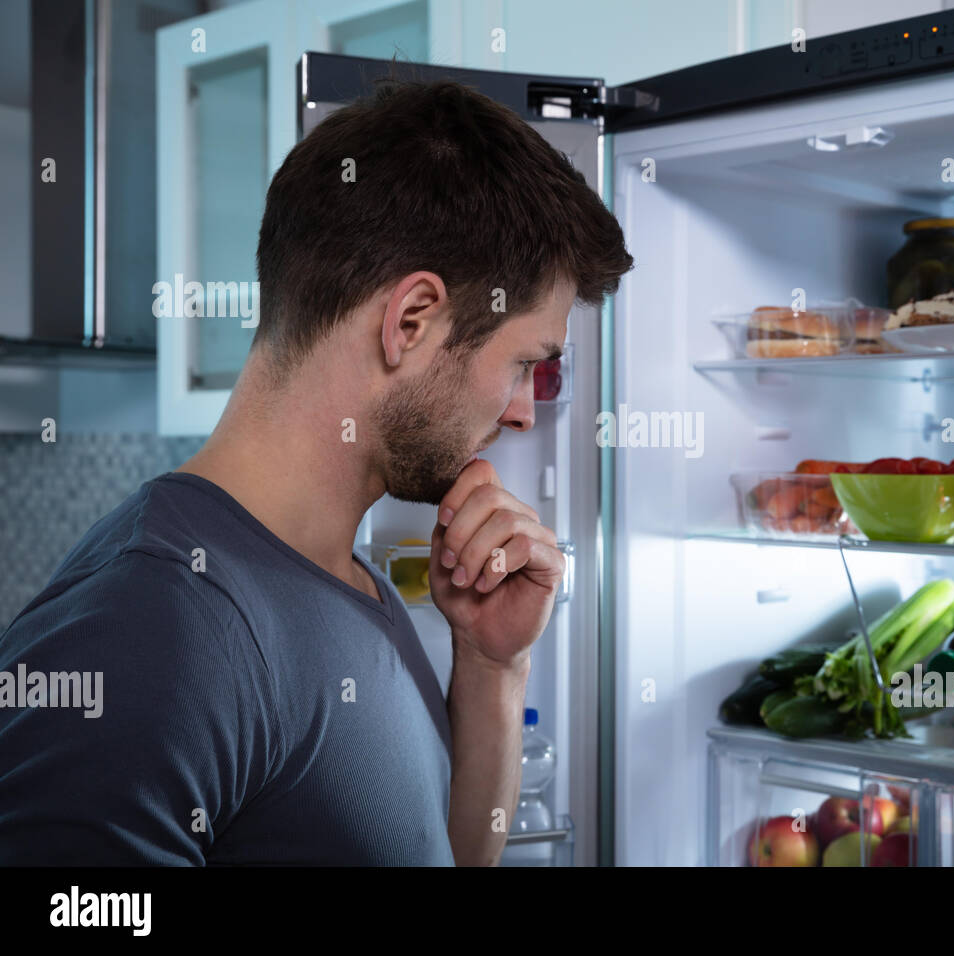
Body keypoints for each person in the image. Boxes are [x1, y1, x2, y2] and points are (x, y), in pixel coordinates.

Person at [0, 79, 633, 865]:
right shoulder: (151, 632)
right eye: (522, 365)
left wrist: (492, 667)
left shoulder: (344, 577)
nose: (520, 415)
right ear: (411, 322)